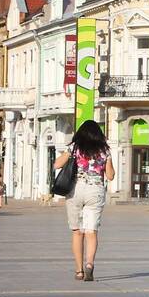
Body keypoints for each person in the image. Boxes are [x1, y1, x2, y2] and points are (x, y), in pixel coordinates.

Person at [54, 119, 115, 282]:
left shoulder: (74, 148)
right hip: (95, 191)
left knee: (77, 232)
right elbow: (110, 175)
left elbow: (57, 164)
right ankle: (89, 264)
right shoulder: (104, 150)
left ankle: (79, 271)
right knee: (91, 231)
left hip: (75, 189)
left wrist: (69, 155)